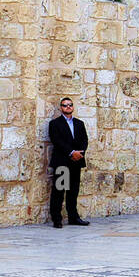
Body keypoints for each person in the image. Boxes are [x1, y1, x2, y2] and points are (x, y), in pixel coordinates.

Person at [47, 97, 90, 228]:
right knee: (59, 191)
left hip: (76, 163)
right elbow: (57, 141)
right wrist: (71, 152)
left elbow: (84, 140)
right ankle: (57, 219)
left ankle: (73, 217)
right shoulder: (55, 124)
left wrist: (79, 154)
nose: (68, 107)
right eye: (65, 105)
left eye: (70, 105)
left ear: (73, 107)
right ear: (61, 108)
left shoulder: (79, 123)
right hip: (63, 163)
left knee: (73, 192)